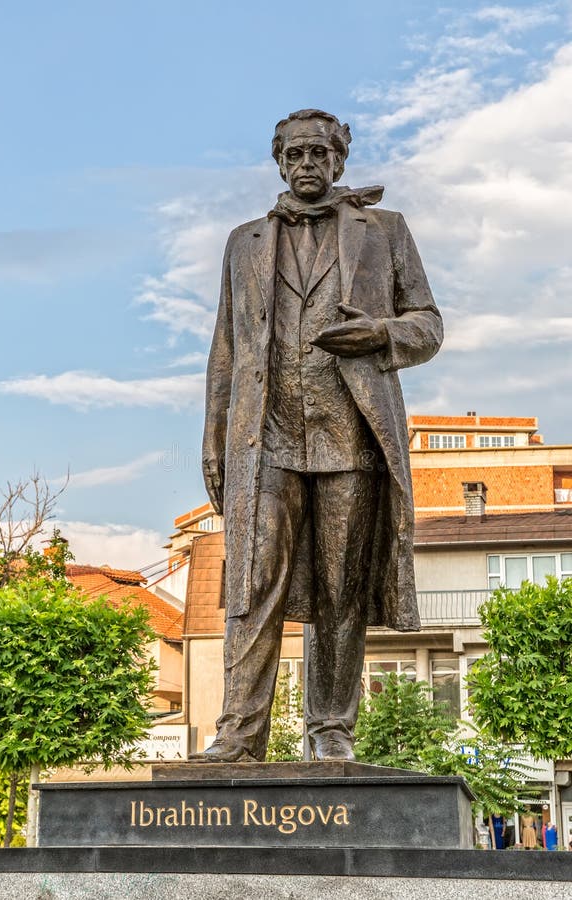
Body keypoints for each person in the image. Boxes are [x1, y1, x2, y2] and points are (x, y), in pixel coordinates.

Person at [195, 109, 443, 762]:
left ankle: (330, 731)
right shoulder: (244, 241)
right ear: (279, 162)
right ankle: (239, 733)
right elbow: (228, 348)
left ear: (339, 161)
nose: (307, 164)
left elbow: (428, 323)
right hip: (264, 438)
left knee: (341, 589)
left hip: (349, 436)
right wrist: (214, 438)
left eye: (319, 153)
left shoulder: (383, 231)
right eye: (295, 154)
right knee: (252, 584)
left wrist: (381, 333)